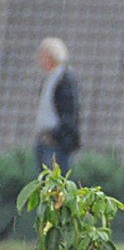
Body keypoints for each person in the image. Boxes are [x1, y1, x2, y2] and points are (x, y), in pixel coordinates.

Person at [33, 37, 80, 173]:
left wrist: (56, 135)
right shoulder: (48, 79)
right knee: (43, 180)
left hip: (56, 142)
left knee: (55, 180)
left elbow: (69, 113)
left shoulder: (64, 80)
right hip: (43, 139)